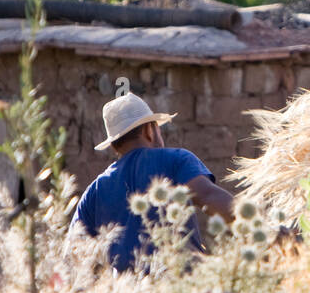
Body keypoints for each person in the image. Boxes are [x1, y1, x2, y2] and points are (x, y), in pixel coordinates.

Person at [69, 93, 233, 273]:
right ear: (149, 130)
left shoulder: (95, 190)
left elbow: (74, 251)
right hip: (180, 286)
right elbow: (207, 195)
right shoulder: (177, 160)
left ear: (114, 145)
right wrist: (259, 225)